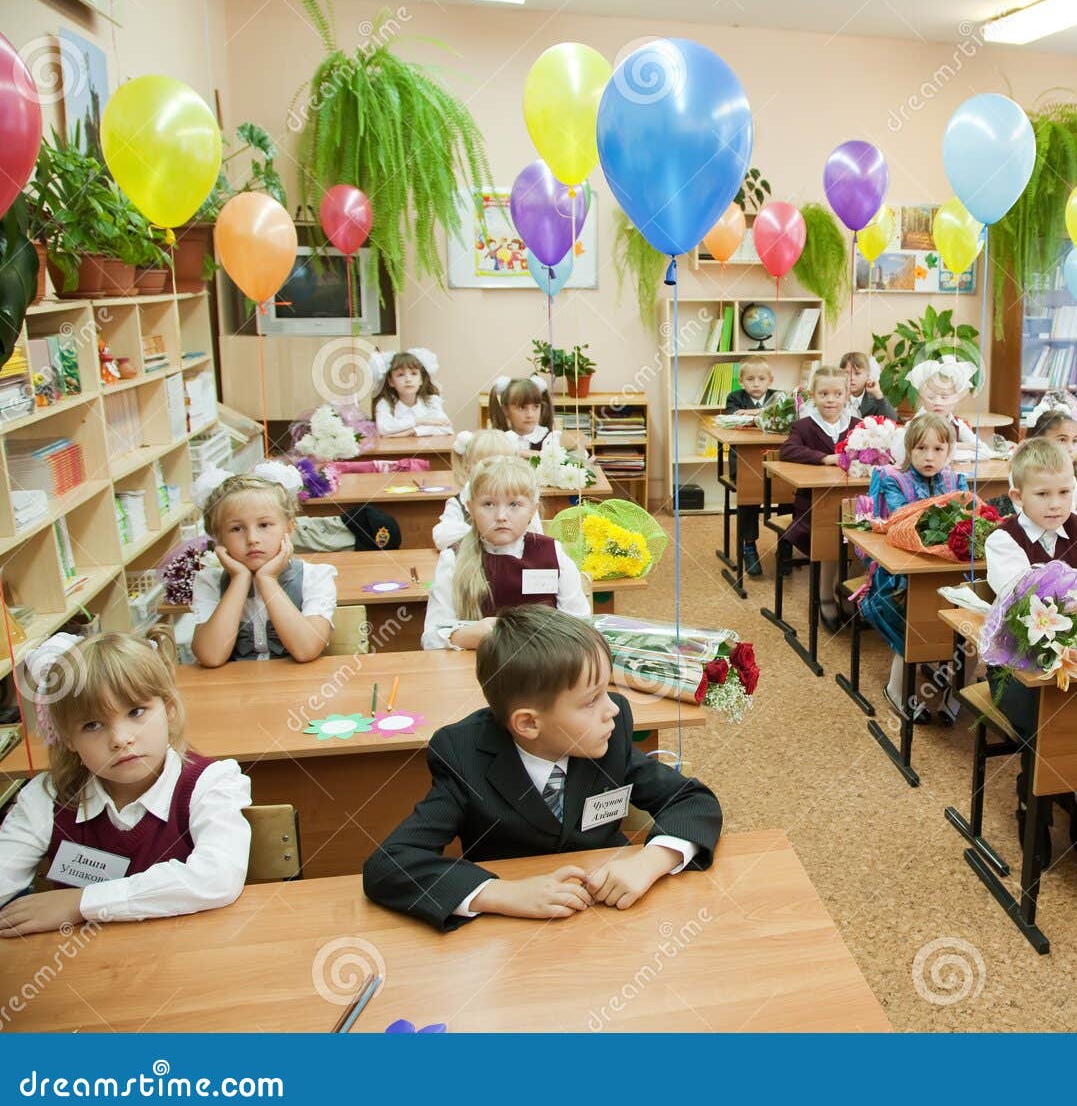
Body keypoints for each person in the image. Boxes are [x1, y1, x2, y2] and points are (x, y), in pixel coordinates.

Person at [364, 606, 722, 931]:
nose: (612, 708)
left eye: (606, 690)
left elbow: (692, 800)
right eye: (591, 700)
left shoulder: (608, 736)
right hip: (508, 934)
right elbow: (390, 863)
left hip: (607, 917)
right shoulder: (464, 755)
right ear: (529, 724)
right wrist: (502, 893)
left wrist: (649, 862)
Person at [0, 632, 251, 936]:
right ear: (68, 739)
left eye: (136, 712)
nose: (120, 739)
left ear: (169, 708)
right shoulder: (46, 797)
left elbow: (218, 877)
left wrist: (82, 902)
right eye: (92, 725)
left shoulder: (210, 783)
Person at [986, 437, 1077, 865]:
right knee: (1050, 722)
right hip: (1018, 665)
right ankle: (1033, 801)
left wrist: (1058, 578)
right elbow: (1022, 596)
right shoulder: (1004, 539)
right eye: (1043, 494)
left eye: (1065, 492)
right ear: (1018, 497)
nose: (1056, 504)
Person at [862, 413, 968, 725]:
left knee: (971, 611)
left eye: (938, 449)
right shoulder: (894, 479)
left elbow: (964, 521)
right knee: (912, 612)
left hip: (947, 571)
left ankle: (955, 688)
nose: (929, 456)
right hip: (899, 573)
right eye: (921, 448)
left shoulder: (957, 481)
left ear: (948, 450)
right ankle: (897, 689)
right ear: (909, 449)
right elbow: (903, 520)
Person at [423, 457, 588, 650]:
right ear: (471, 509)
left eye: (514, 504)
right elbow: (431, 639)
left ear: (532, 510)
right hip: (477, 664)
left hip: (543, 663)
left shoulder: (553, 553)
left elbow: (581, 625)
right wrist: (464, 636)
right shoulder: (453, 559)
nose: (501, 516)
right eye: (488, 504)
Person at [190, 467, 336, 666]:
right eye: (236, 529)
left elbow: (306, 650)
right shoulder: (210, 582)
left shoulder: (315, 577)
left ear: (289, 527)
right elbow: (211, 657)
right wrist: (239, 579)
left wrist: (267, 579)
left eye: (264, 525)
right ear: (219, 537)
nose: (252, 539)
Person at [779, 365, 860, 631]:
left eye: (837, 394)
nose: (830, 400)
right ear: (813, 395)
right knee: (831, 540)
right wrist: (824, 458)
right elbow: (788, 450)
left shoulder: (858, 426)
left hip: (853, 503)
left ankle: (846, 592)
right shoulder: (804, 426)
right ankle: (824, 597)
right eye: (824, 394)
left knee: (863, 540)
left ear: (846, 395)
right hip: (813, 506)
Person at [435, 429, 531, 550]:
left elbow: (535, 536)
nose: (492, 471)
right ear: (467, 468)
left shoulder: (523, 499)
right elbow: (441, 537)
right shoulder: (458, 502)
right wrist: (485, 532)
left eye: (501, 464)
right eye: (484, 464)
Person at [725, 358, 778, 575]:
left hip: (773, 461)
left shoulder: (779, 396)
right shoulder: (735, 397)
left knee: (789, 493)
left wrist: (754, 413)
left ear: (770, 380)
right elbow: (735, 420)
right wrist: (765, 414)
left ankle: (785, 544)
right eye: (750, 379)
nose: (756, 383)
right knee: (749, 495)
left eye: (761, 379)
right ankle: (749, 546)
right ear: (741, 381)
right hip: (744, 462)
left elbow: (786, 417)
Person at [1026, 407, 1077, 517]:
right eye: (1062, 440)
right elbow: (1036, 510)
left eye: (1074, 441)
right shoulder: (1026, 471)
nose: (1071, 448)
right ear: (1039, 441)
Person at [488, 375, 588, 453]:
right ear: (505, 410)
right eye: (522, 407)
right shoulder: (498, 442)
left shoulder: (551, 440)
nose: (530, 414)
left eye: (535, 407)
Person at [371, 348, 451, 437]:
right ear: (391, 381)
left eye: (413, 373)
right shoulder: (386, 403)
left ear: (421, 380)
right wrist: (419, 421)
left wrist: (413, 431)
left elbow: (447, 428)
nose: (408, 379)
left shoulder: (431, 401)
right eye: (401, 375)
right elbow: (384, 428)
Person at [840, 351, 895, 420]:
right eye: (846, 373)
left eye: (857, 374)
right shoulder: (837, 396)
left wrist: (879, 395)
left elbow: (891, 421)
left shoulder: (875, 398)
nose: (851, 378)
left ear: (868, 375)